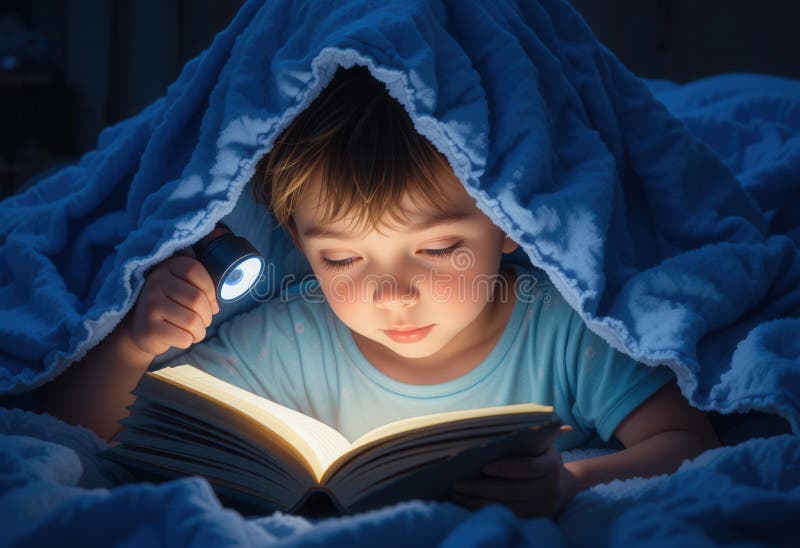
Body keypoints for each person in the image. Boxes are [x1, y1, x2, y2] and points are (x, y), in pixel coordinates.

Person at [41, 66, 719, 517]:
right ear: (301, 245)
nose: (392, 293)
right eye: (341, 257)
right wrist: (134, 345)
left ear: (508, 225)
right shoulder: (298, 333)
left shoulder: (563, 330)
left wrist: (571, 483)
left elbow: (687, 439)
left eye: (436, 248)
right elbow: (88, 430)